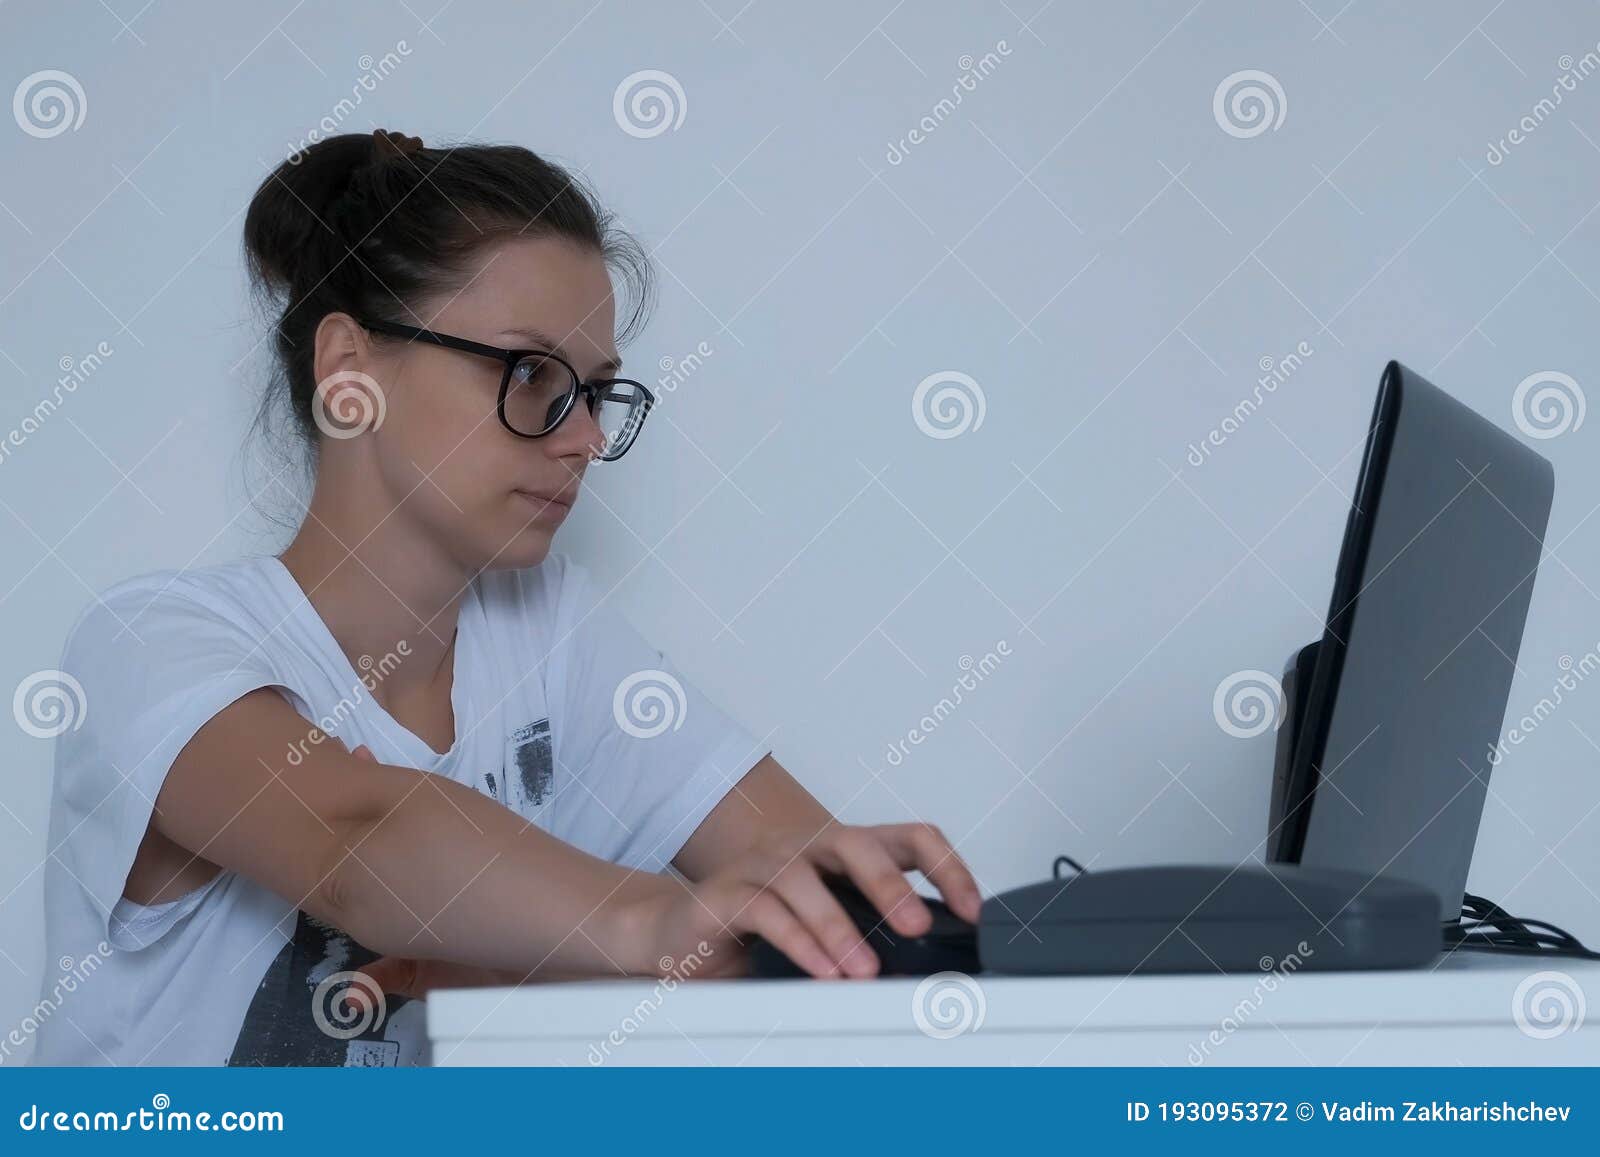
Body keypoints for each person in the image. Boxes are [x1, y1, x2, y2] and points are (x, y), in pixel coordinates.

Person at [33, 129, 981, 1067]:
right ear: (348, 371)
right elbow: (357, 838)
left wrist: (843, 931)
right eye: (532, 375)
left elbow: (816, 911)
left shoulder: (547, 631)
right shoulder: (148, 644)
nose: (586, 441)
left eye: (600, 392)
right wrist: (649, 921)